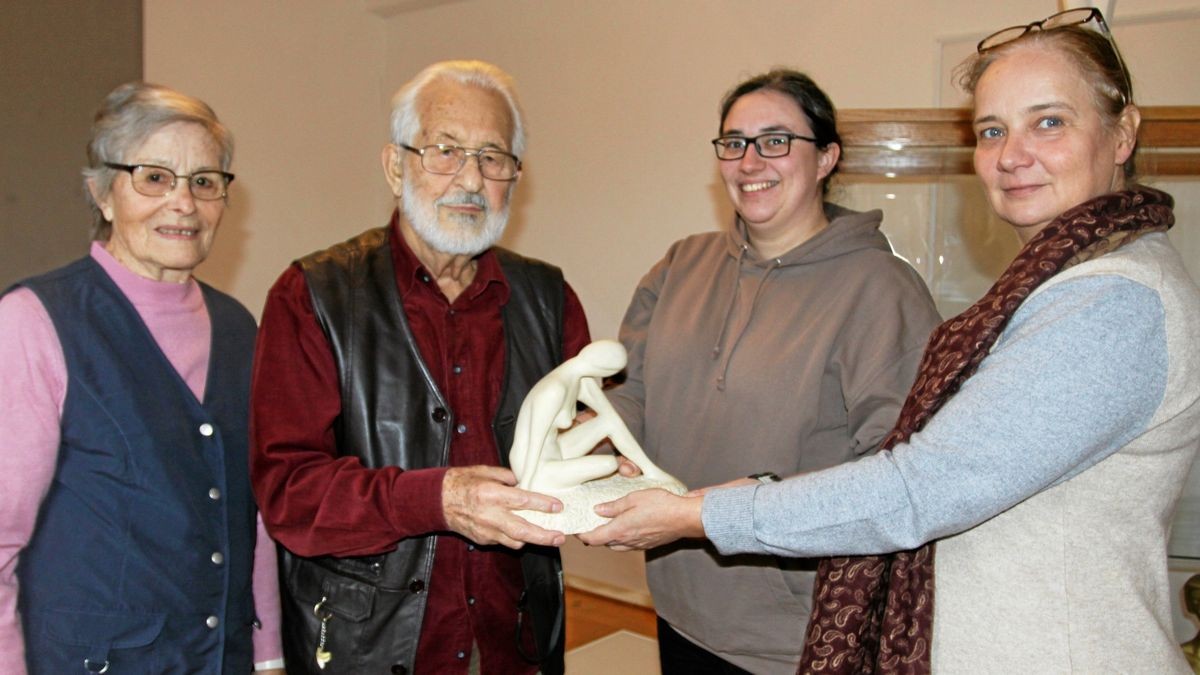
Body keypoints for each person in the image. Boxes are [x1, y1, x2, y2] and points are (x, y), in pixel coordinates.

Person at [582, 8, 1200, 674]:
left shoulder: (1112, 301)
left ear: (1122, 133)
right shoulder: (1053, 285)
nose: (1012, 154)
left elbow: (914, 484)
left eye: (1049, 121)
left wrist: (698, 512)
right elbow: (633, 397)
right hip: (693, 605)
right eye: (992, 129)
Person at [584, 69, 941, 674]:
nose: (751, 161)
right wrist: (594, 461)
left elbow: (895, 474)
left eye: (776, 141)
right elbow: (632, 396)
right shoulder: (680, 265)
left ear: (826, 157)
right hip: (678, 604)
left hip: (796, 635)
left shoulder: (881, 290)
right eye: (734, 142)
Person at [250, 60, 589, 675]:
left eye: (493, 157)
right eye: (445, 150)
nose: (469, 178)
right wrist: (437, 498)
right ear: (395, 165)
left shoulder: (550, 299)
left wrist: (605, 483)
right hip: (365, 649)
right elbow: (289, 493)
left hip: (515, 647)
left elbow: (575, 450)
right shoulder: (313, 296)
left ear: (515, 176)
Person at [0, 83, 283, 673]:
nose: (183, 203)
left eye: (204, 181)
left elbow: (251, 514)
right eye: (154, 177)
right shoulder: (33, 321)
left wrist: (268, 658)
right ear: (104, 193)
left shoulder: (238, 327)